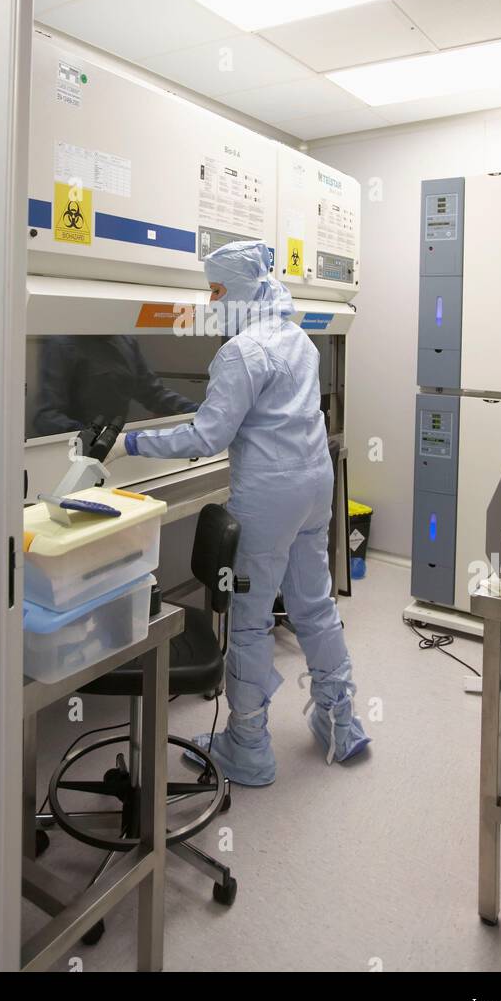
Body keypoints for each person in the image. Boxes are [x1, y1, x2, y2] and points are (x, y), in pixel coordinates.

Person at [115, 239, 370, 786]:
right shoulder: (298, 338)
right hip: (314, 483)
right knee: (314, 602)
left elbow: (209, 436)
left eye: (215, 289)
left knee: (251, 621)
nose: (210, 300)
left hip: (269, 495)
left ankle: (248, 746)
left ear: (235, 288)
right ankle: (338, 720)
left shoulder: (240, 351)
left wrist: (132, 447)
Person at [31, 334, 198, 437]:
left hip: (116, 445)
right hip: (74, 451)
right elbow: (46, 416)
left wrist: (197, 411)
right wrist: (91, 436)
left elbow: (152, 392)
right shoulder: (62, 345)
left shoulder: (126, 341)